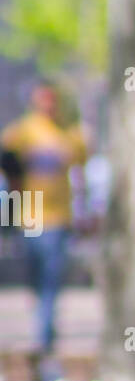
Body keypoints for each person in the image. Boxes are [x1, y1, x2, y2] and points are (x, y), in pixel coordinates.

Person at [0, 83, 87, 354]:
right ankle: (42, 326)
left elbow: (80, 175)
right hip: (30, 214)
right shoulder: (22, 132)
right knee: (36, 276)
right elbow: (8, 166)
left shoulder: (70, 134)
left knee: (51, 277)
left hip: (58, 216)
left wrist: (85, 212)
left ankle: (44, 335)